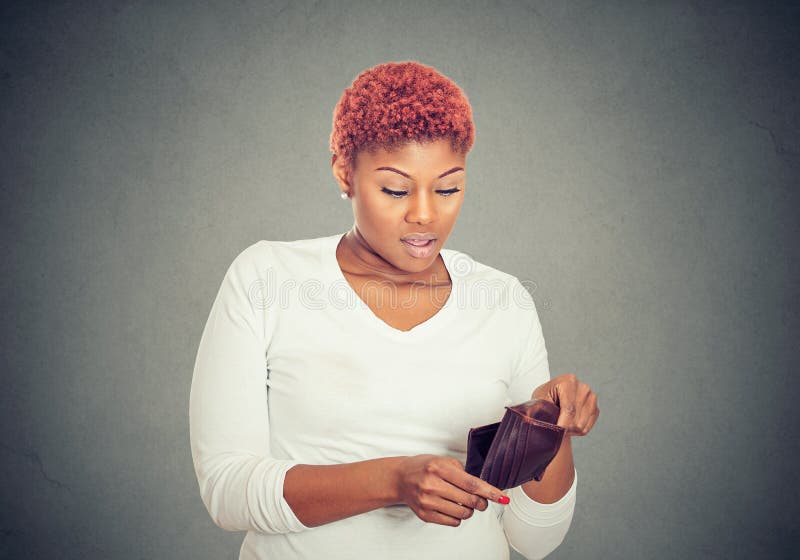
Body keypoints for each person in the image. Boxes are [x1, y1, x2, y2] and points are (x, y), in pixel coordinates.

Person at [189, 61, 599, 560]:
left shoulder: (504, 301)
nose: (424, 213)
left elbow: (535, 540)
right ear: (345, 172)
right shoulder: (267, 279)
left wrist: (549, 428)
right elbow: (228, 491)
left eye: (448, 188)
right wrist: (394, 480)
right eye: (396, 190)